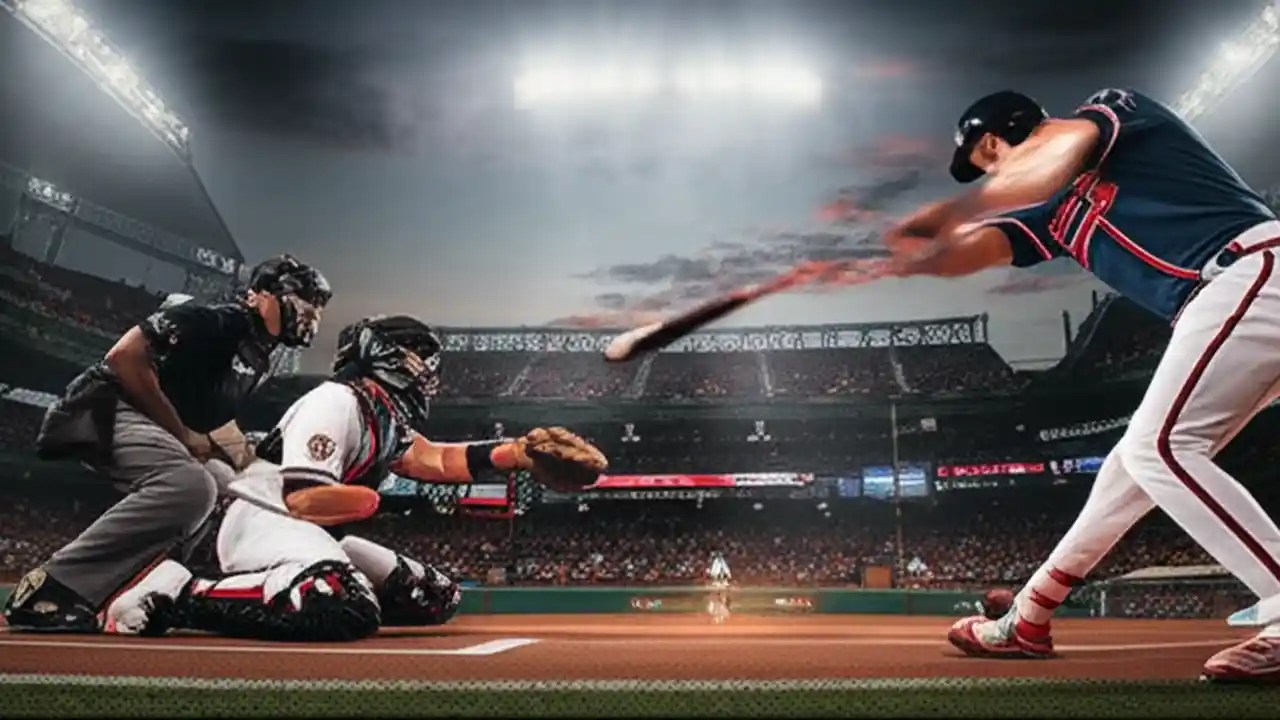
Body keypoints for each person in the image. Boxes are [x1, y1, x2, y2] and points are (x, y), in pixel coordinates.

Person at [883, 88, 1280, 682]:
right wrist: (922, 258)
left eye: (985, 160)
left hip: (1251, 271)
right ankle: (1028, 617)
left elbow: (1060, 151)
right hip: (1233, 298)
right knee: (1130, 467)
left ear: (994, 141)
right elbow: (982, 249)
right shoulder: (1055, 215)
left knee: (1160, 449)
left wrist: (951, 213)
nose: (988, 171)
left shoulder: (1111, 113)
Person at [104, 315, 607, 641]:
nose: (429, 374)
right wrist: (379, 503)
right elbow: (303, 499)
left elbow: (434, 461)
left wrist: (516, 453)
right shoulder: (338, 399)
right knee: (336, 602)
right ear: (387, 358)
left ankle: (292, 594)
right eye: (421, 361)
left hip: (310, 529)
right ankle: (177, 593)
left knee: (433, 596)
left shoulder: (382, 414)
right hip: (259, 519)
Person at [4, 255, 331, 633]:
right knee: (190, 486)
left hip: (153, 422)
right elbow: (124, 356)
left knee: (219, 494)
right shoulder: (219, 320)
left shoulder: (259, 355)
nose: (310, 314)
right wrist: (181, 434)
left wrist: (262, 474)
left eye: (316, 307)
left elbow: (212, 421)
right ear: (259, 296)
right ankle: (49, 590)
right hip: (108, 407)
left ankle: (137, 593)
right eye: (301, 300)